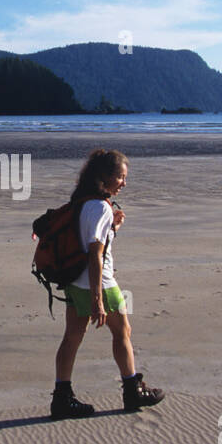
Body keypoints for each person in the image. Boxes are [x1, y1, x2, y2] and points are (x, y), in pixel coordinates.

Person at [50, 148, 165, 420]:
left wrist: (113, 228)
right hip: (98, 282)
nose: (124, 183)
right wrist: (98, 300)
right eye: (121, 177)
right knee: (122, 331)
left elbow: (87, 241)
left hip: (74, 281)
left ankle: (62, 397)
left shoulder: (82, 202)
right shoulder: (101, 207)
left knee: (72, 338)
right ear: (104, 178)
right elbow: (95, 255)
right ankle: (132, 390)